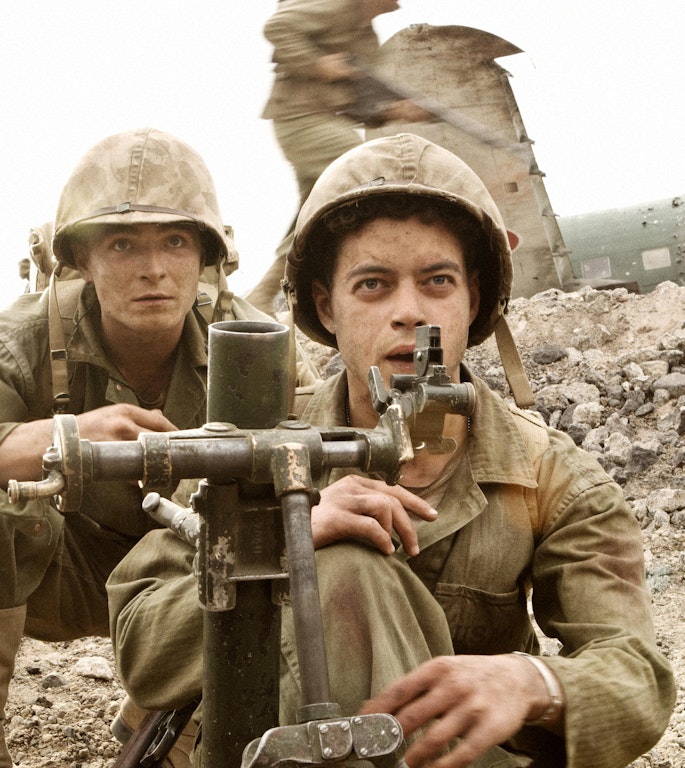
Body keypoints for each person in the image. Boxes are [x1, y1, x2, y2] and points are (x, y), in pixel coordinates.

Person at [107, 133, 675, 768]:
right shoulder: (255, 446)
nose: (409, 312)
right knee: (343, 564)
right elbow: (142, 650)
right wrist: (281, 541)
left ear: (473, 299)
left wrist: (529, 683)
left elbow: (637, 681)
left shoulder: (546, 476)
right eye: (373, 284)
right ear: (327, 305)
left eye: (437, 281)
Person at [0, 126, 309, 768]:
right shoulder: (21, 340)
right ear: (81, 261)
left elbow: (319, 455)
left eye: (175, 240)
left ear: (205, 257)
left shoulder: (253, 346)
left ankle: (187, 724)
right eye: (121, 244)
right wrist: (67, 436)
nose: (153, 269)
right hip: (62, 568)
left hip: (190, 567)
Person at [246, 0, 430, 315]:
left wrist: (392, 111)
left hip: (329, 122)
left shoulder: (368, 42)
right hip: (299, 119)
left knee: (312, 213)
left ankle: (260, 300)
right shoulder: (335, 5)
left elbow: (359, 104)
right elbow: (277, 27)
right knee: (364, 168)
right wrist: (318, 64)